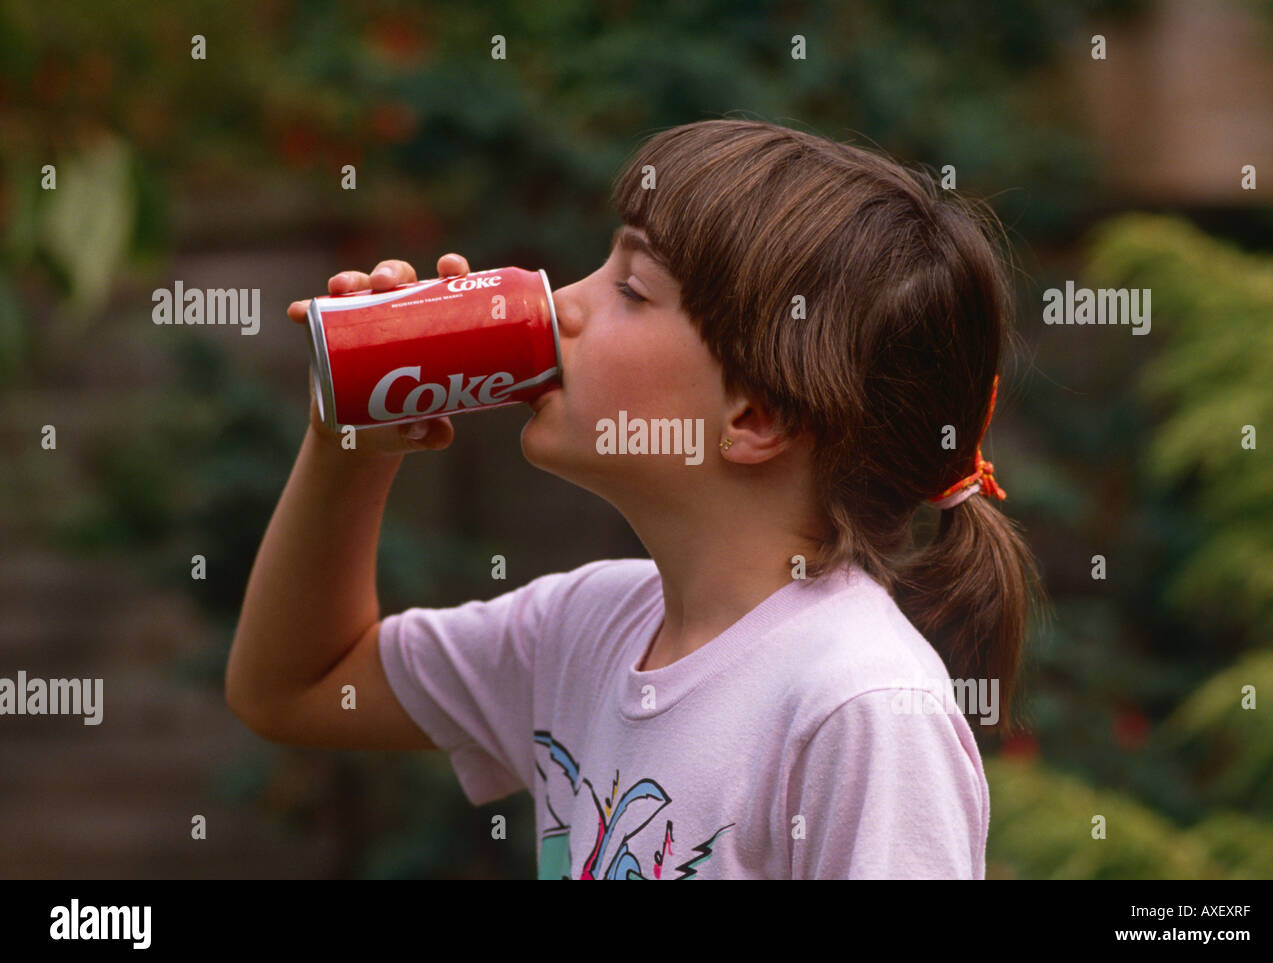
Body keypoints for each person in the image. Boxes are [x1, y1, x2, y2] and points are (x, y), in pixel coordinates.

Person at [226, 118, 1044, 879]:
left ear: (757, 415)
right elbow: (297, 684)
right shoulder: (584, 628)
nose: (562, 304)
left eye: (632, 288)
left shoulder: (860, 706)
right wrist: (349, 442)